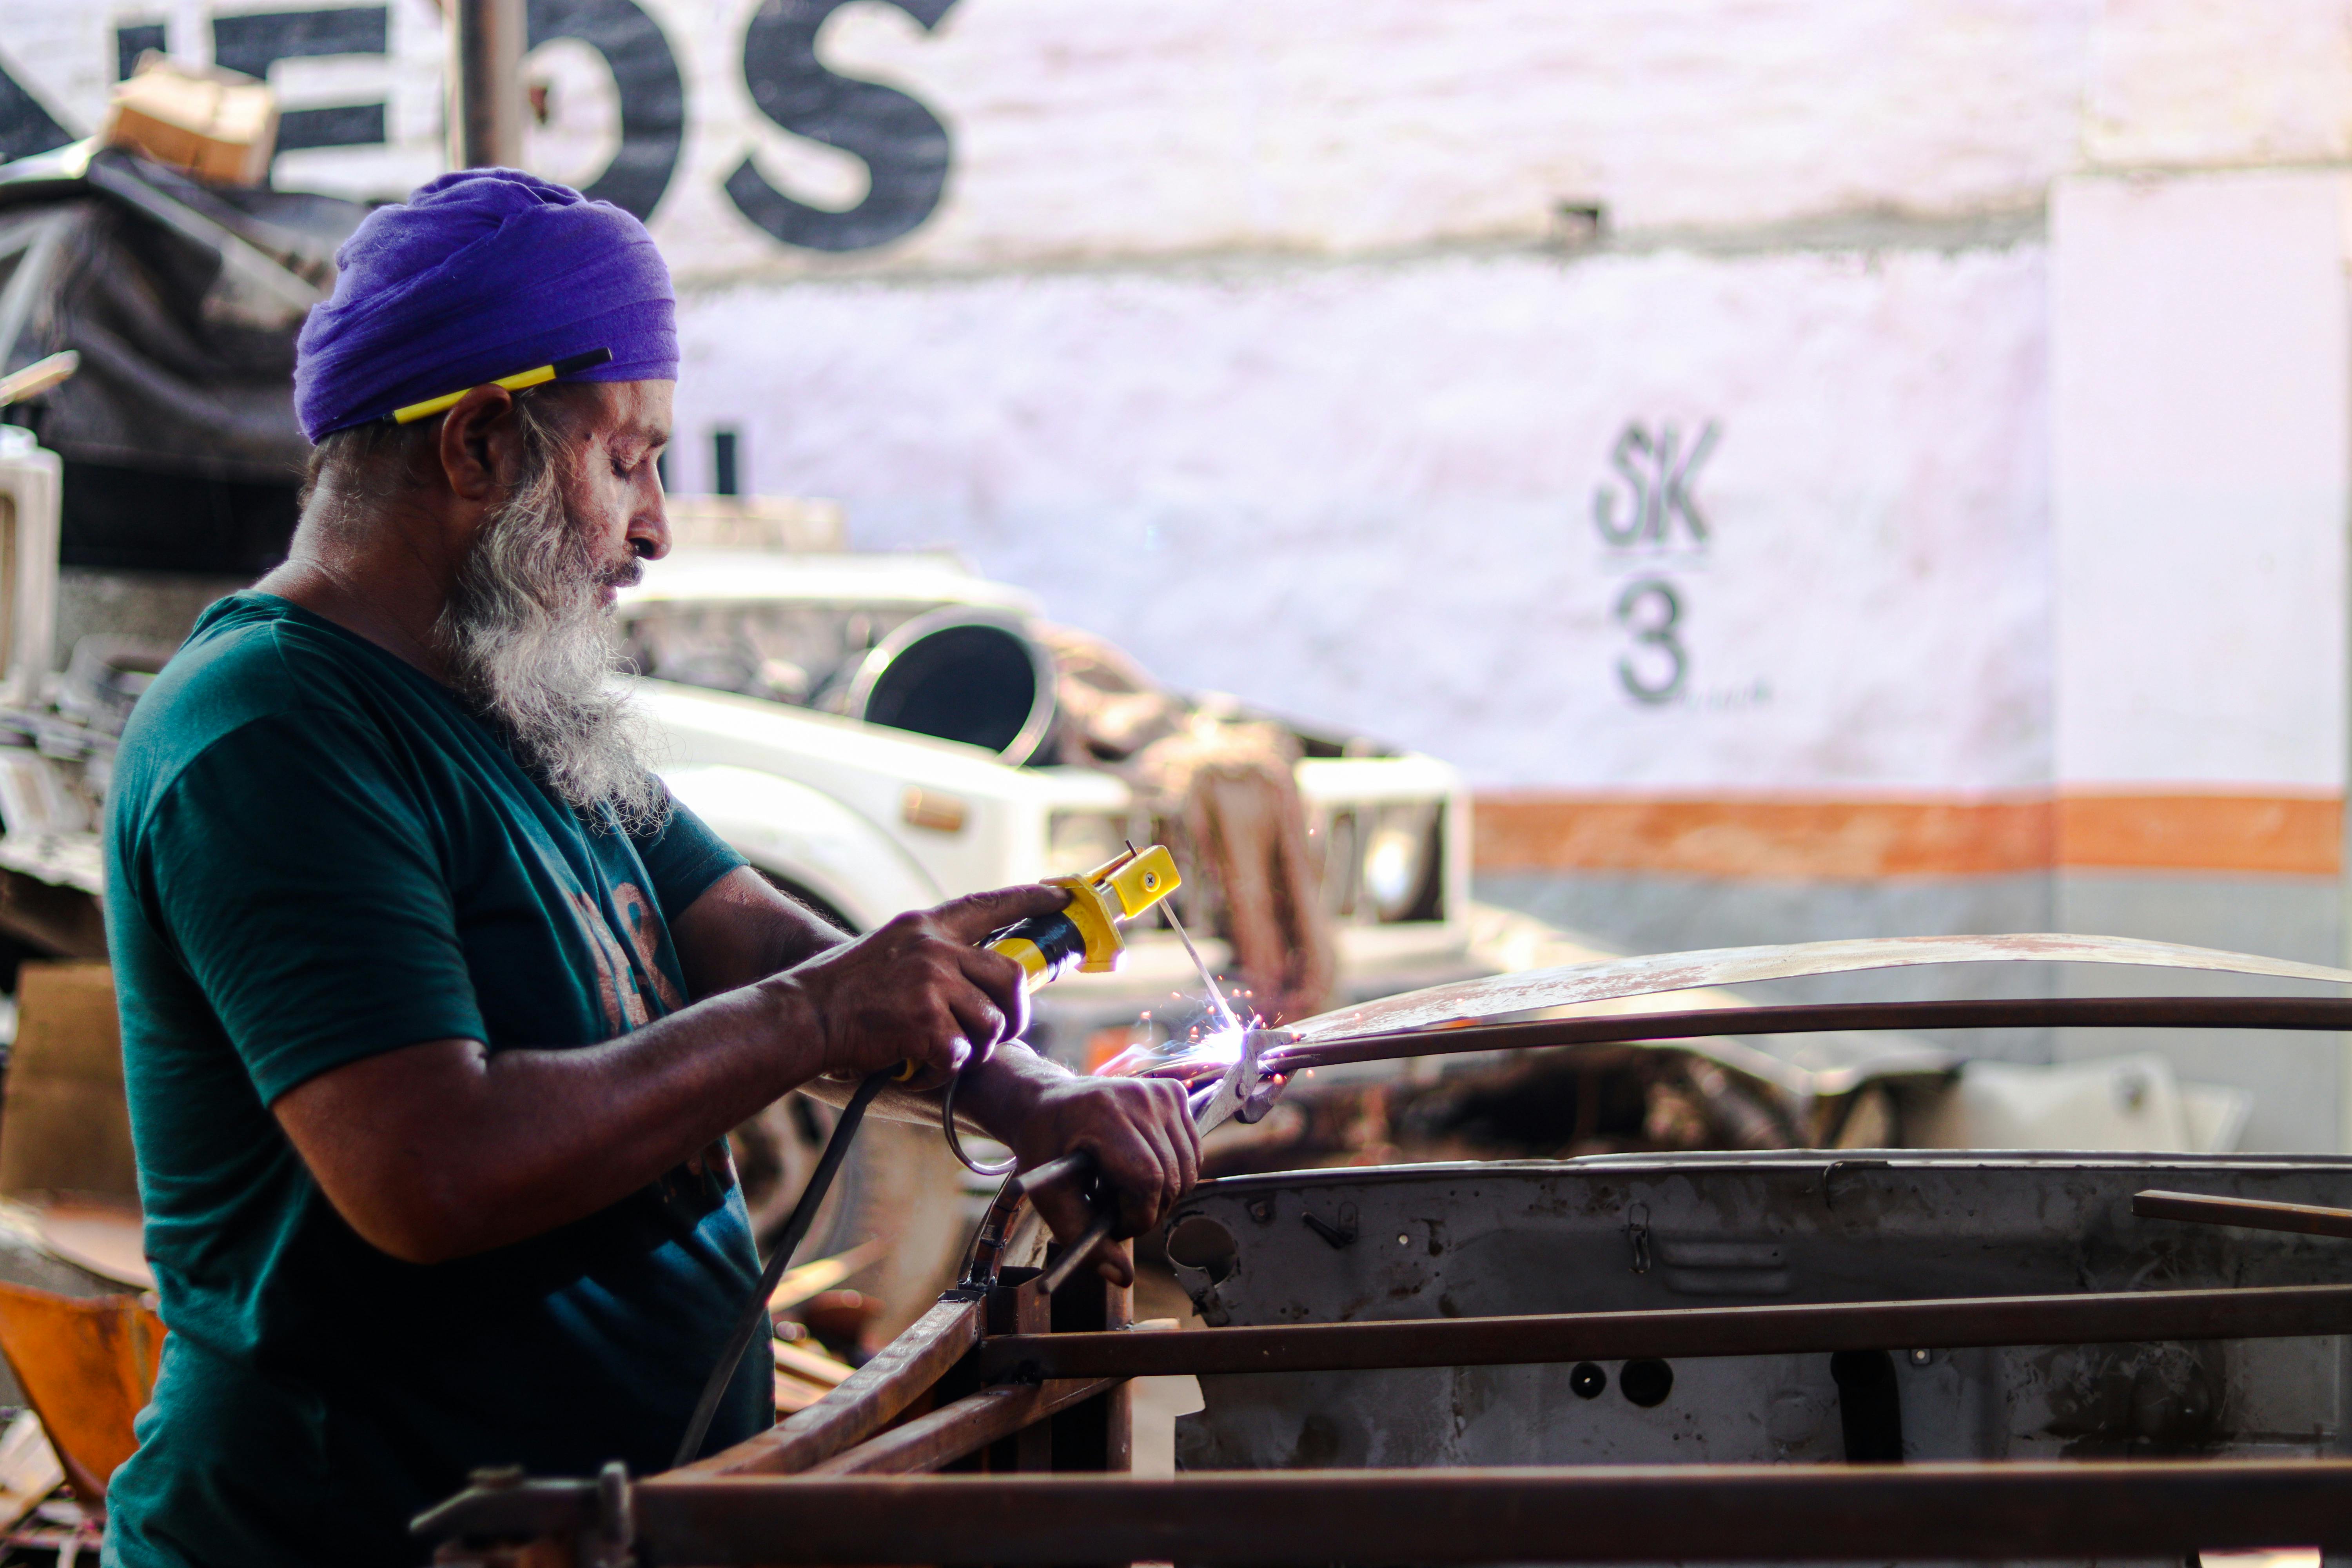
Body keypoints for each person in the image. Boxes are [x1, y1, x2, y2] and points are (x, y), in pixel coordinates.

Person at [99, 169, 1200, 1568]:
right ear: (481, 444)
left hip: (583, 1524)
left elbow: (741, 932)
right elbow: (430, 1169)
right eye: (628, 459)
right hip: (358, 1536)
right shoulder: (269, 732)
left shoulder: (507, 699)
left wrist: (1027, 1088)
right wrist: (819, 1021)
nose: (657, 526)